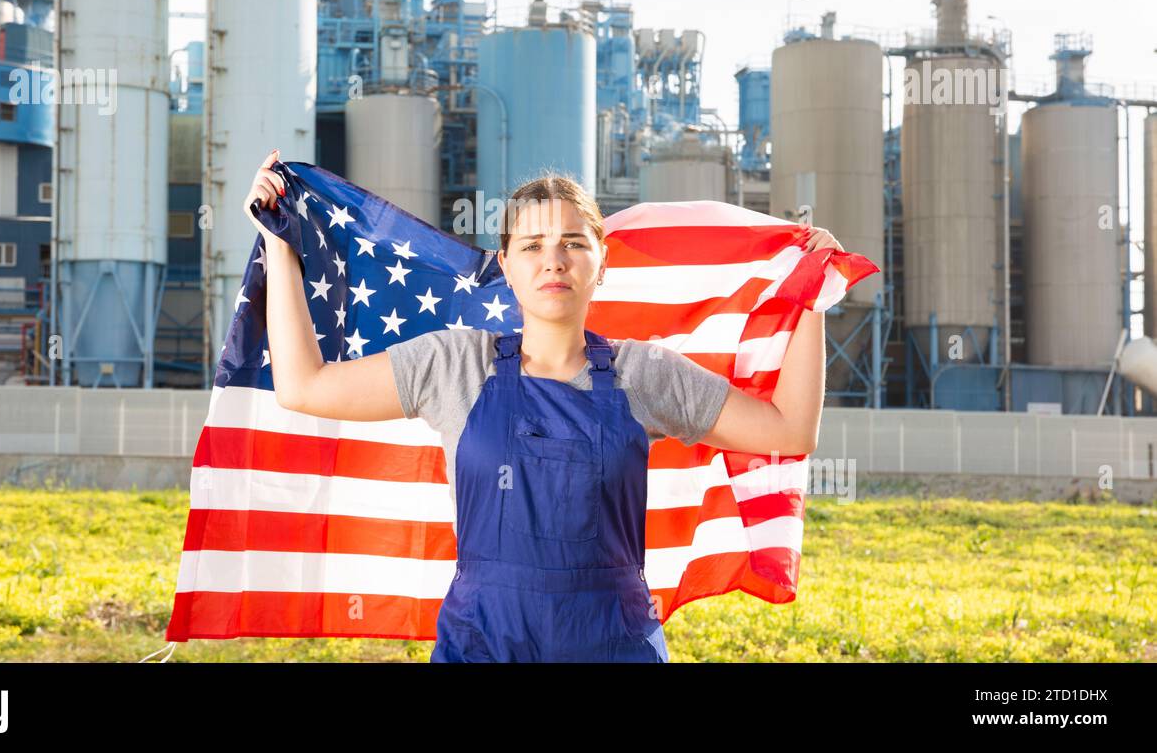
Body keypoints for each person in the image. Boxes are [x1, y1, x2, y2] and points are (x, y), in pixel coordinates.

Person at [243, 149, 842, 663]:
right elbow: (304, 386)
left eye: (573, 243)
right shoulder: (453, 365)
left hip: (613, 643)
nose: (553, 259)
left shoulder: (645, 374)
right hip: (483, 643)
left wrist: (811, 298)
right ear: (505, 265)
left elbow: (789, 430)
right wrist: (280, 242)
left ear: (601, 264)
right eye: (532, 244)